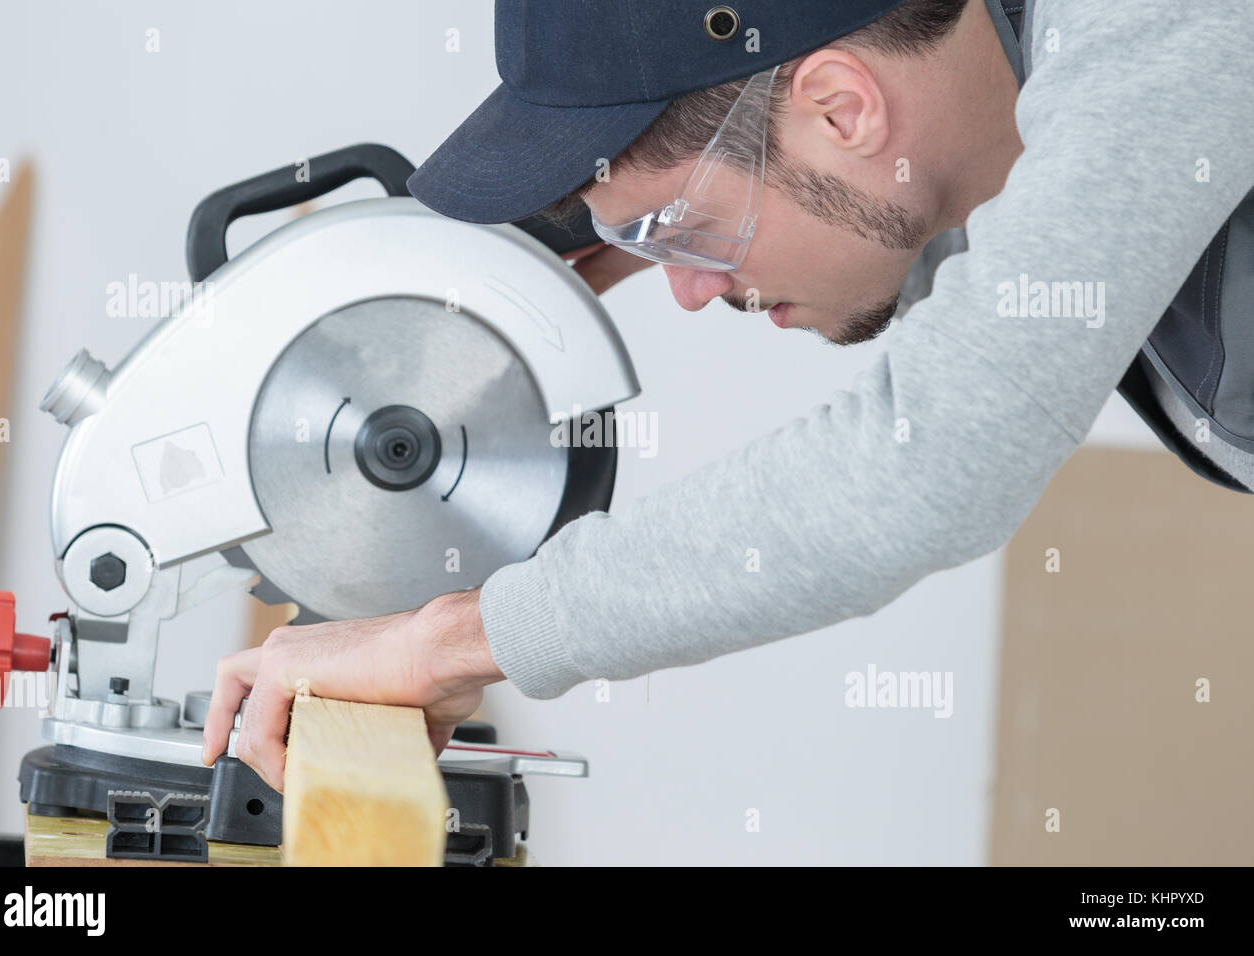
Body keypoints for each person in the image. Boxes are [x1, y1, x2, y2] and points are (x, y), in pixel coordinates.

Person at [203, 0, 1254, 793]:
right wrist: (569, 251)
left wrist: (439, 643)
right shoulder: (1049, 102)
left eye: (678, 236)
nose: (694, 294)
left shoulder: (1157, 24)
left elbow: (923, 464)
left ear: (842, 107)